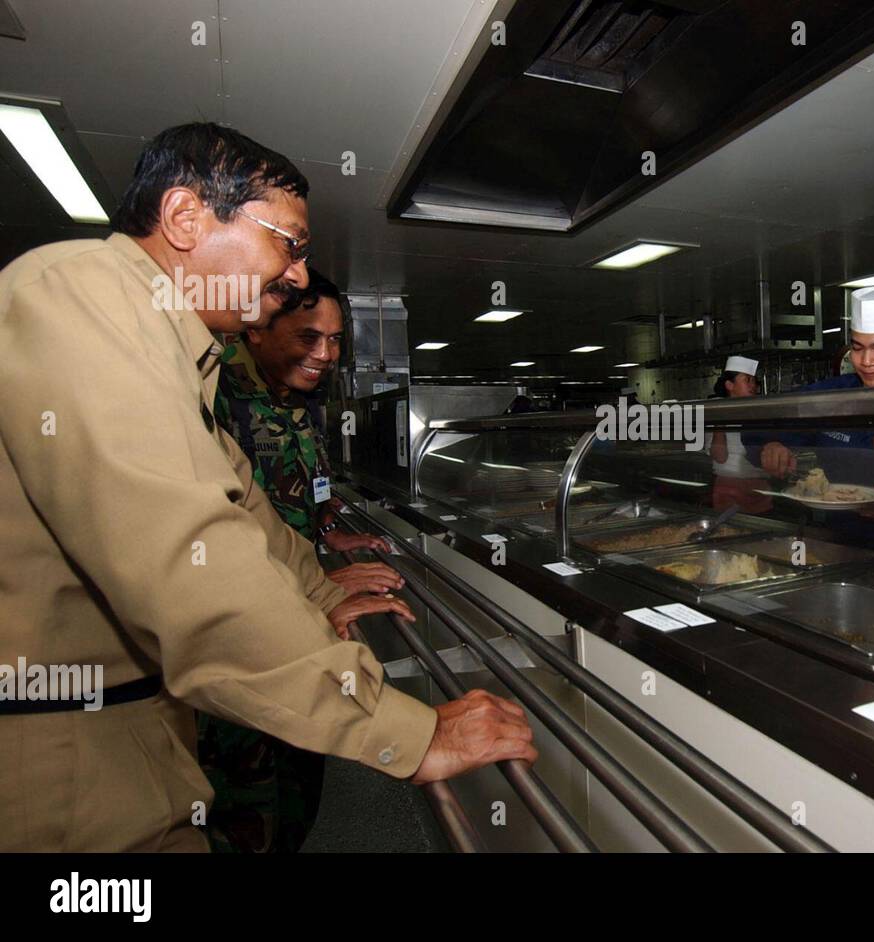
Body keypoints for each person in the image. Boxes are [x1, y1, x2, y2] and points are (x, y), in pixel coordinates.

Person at [0, 122, 535, 852]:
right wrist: (404, 729)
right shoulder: (84, 293)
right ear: (187, 217)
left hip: (126, 735)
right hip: (54, 763)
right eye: (286, 243)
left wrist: (320, 593)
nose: (295, 276)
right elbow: (187, 555)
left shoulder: (180, 352)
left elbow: (242, 507)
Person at [209, 267, 400, 851]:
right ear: (258, 330)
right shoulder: (213, 397)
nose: (327, 354)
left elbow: (298, 482)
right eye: (309, 337)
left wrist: (326, 533)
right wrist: (315, 583)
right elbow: (215, 535)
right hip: (238, 628)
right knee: (241, 801)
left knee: (299, 784)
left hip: (299, 604)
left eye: (337, 339)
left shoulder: (303, 398)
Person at [748, 285, 874, 539]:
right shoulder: (832, 396)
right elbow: (761, 423)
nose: (866, 361)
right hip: (837, 540)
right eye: (857, 347)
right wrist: (770, 445)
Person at [708, 356, 772, 514]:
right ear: (730, 385)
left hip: (759, 487)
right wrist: (719, 423)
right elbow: (720, 456)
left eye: (754, 381)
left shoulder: (762, 413)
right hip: (728, 487)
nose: (753, 386)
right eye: (747, 380)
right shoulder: (715, 411)